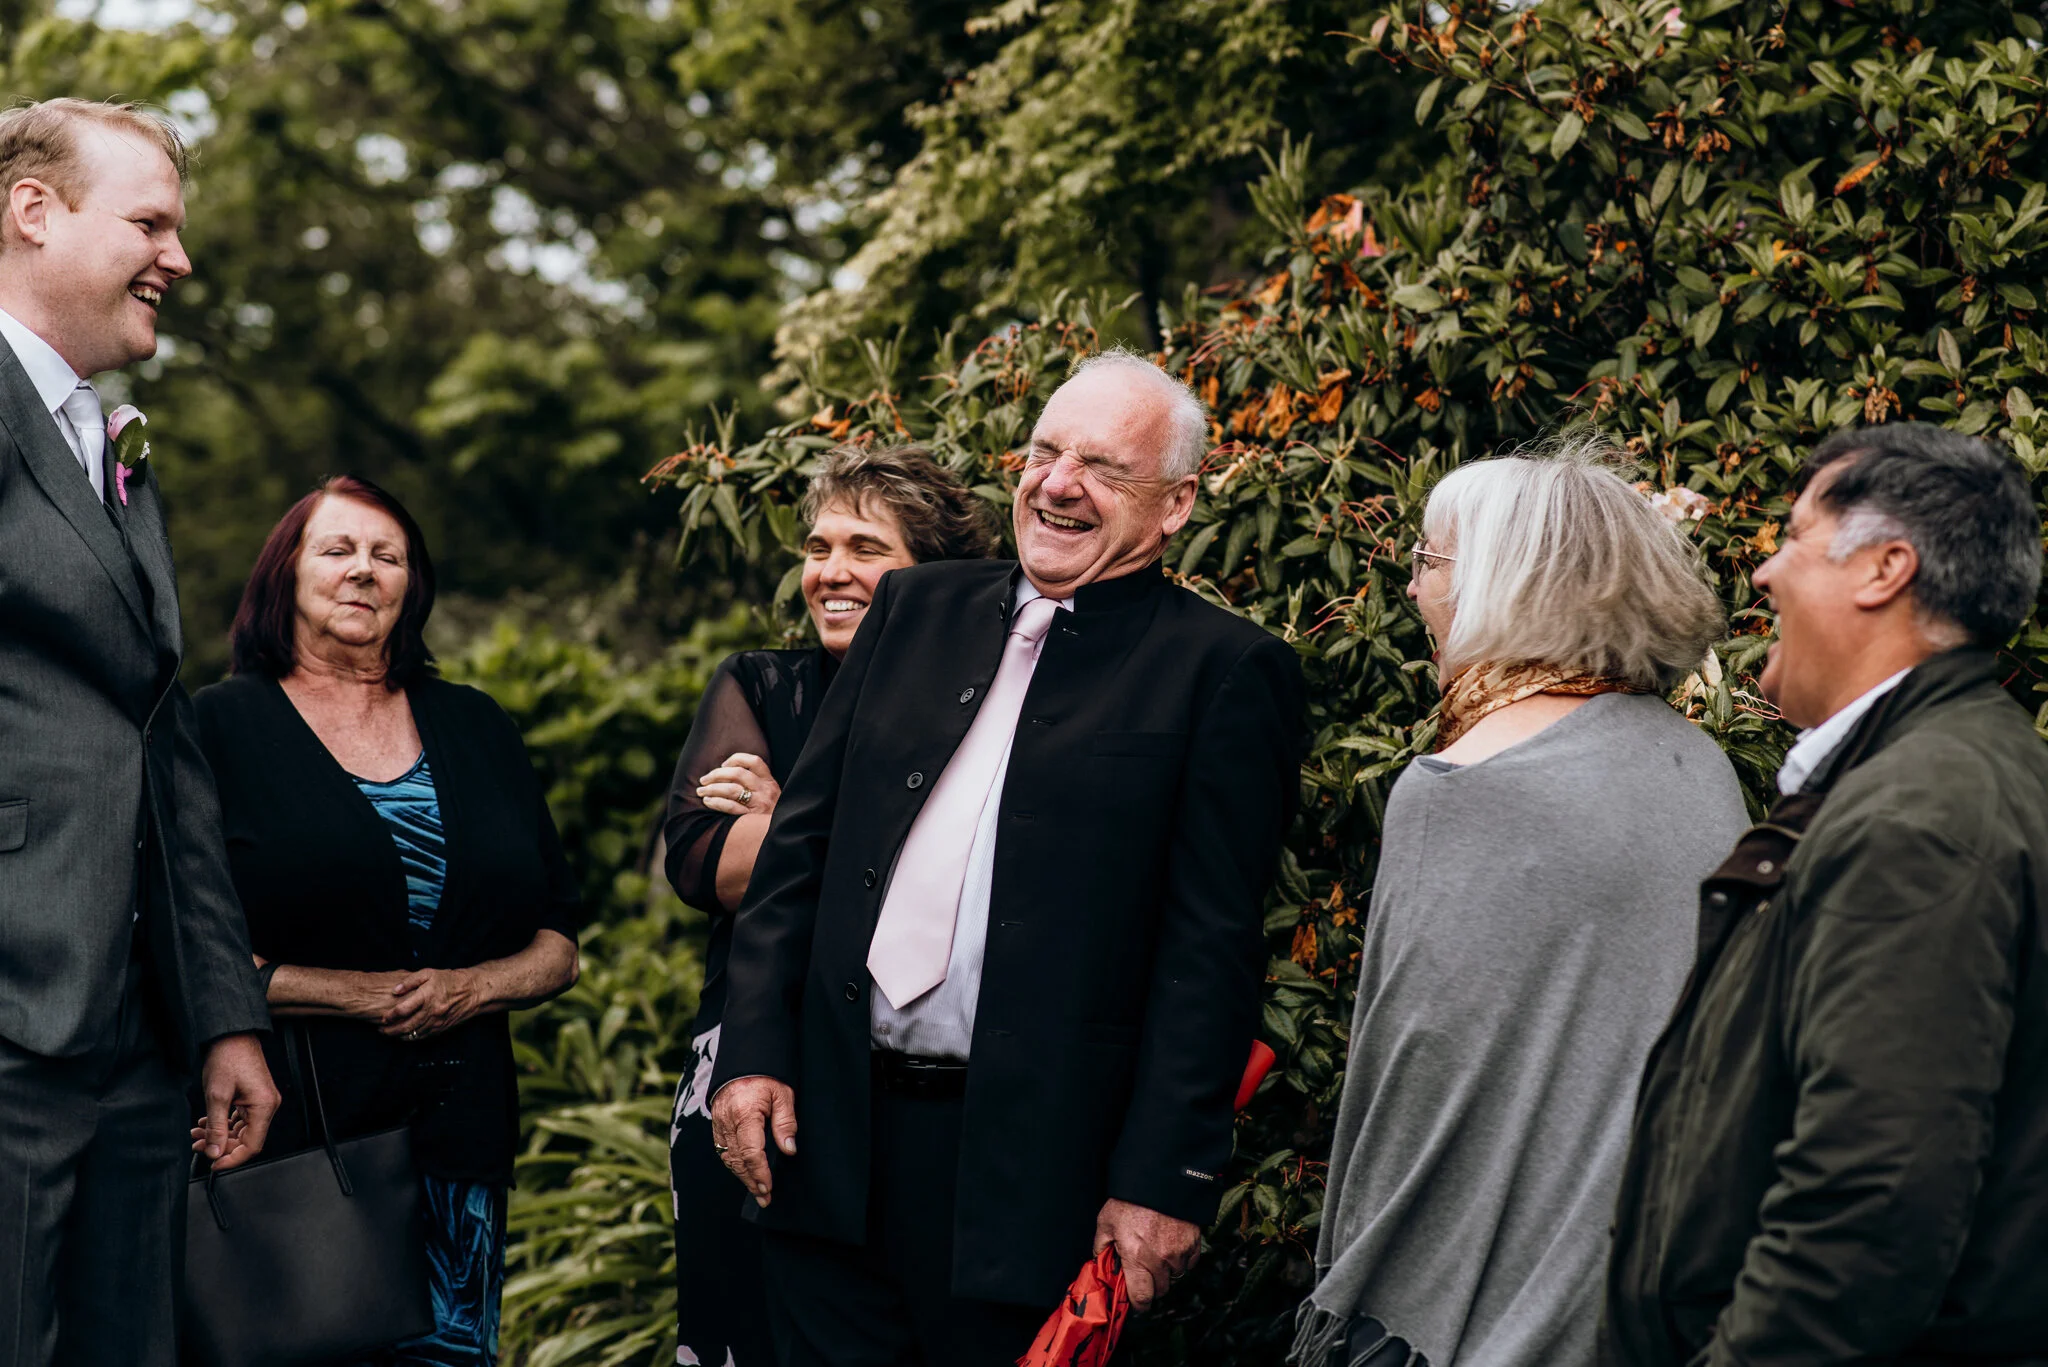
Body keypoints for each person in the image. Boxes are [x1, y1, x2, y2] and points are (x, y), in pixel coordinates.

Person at [707, 349, 1306, 1365]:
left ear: (1175, 505)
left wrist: (1164, 1180)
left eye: (1101, 467)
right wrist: (754, 1050)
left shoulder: (1227, 668)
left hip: (1032, 1180)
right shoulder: (912, 607)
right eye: (1044, 453)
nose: (1058, 483)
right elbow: (801, 851)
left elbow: (1209, 952)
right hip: (828, 1147)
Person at [1290, 439, 1749, 1367]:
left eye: (1430, 560)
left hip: (1479, 1311)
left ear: (1505, 581)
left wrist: (1355, 1301)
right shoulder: (1699, 764)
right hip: (1653, 1288)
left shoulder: (1468, 783)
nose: (1412, 588)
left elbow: (1417, 1083)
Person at [1603, 423, 2048, 1366]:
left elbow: (1867, 1208)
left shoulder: (1919, 818)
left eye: (1796, 537)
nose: (1765, 572)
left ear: (1886, 569)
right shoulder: (1938, 776)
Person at [0, 98, 278, 1364]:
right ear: (34, 211)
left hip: (133, 1041)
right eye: (151, 224)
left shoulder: (108, 441)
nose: (180, 257)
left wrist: (221, 1010)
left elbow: (158, 745)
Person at [193, 475, 582, 1366]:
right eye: (337, 549)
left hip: (460, 1147)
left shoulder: (477, 724)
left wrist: (472, 986)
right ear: (286, 573)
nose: (363, 570)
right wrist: (356, 994)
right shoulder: (215, 726)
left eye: (388, 555)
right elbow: (182, 941)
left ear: (412, 585)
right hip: (293, 1149)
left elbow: (559, 940)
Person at [662, 442, 999, 1366]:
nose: (830, 571)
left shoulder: (988, 705)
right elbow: (701, 864)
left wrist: (788, 820)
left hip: (918, 1099)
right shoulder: (763, 685)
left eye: (866, 548)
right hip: (754, 1070)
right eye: (818, 547)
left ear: (931, 577)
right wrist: (840, 832)